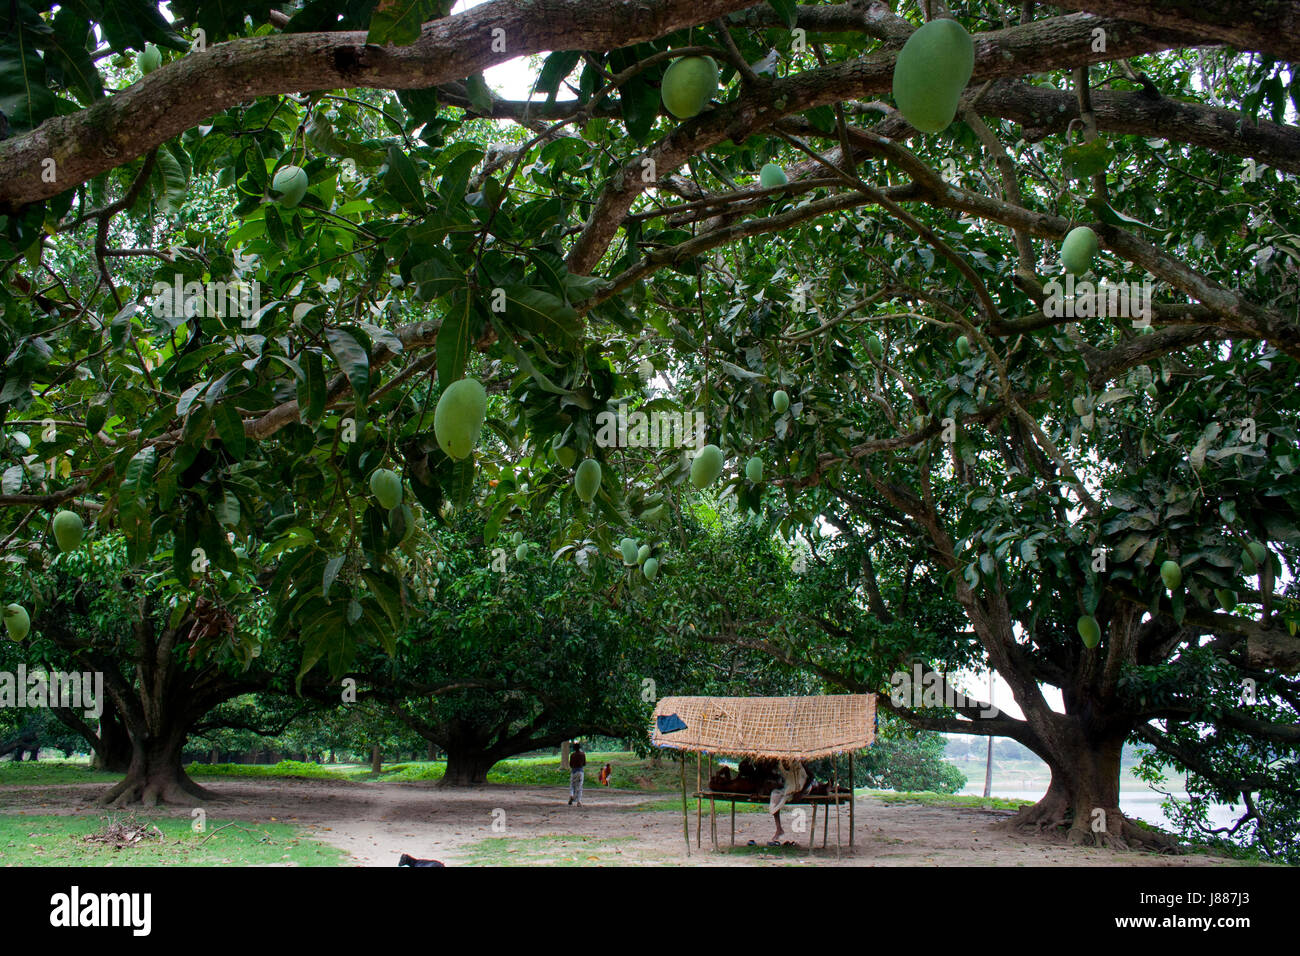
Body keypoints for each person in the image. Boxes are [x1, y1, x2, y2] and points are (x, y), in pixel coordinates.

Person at [768, 759, 809, 844]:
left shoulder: (798, 763)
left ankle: (779, 830)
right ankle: (779, 829)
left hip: (803, 788)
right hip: (789, 789)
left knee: (782, 796)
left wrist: (801, 793)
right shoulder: (780, 764)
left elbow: (810, 777)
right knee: (775, 796)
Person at [567, 741, 587, 806]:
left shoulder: (572, 755)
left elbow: (570, 764)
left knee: (572, 785)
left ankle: (571, 795)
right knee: (579, 786)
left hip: (574, 771)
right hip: (580, 771)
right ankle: (578, 801)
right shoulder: (582, 754)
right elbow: (584, 764)